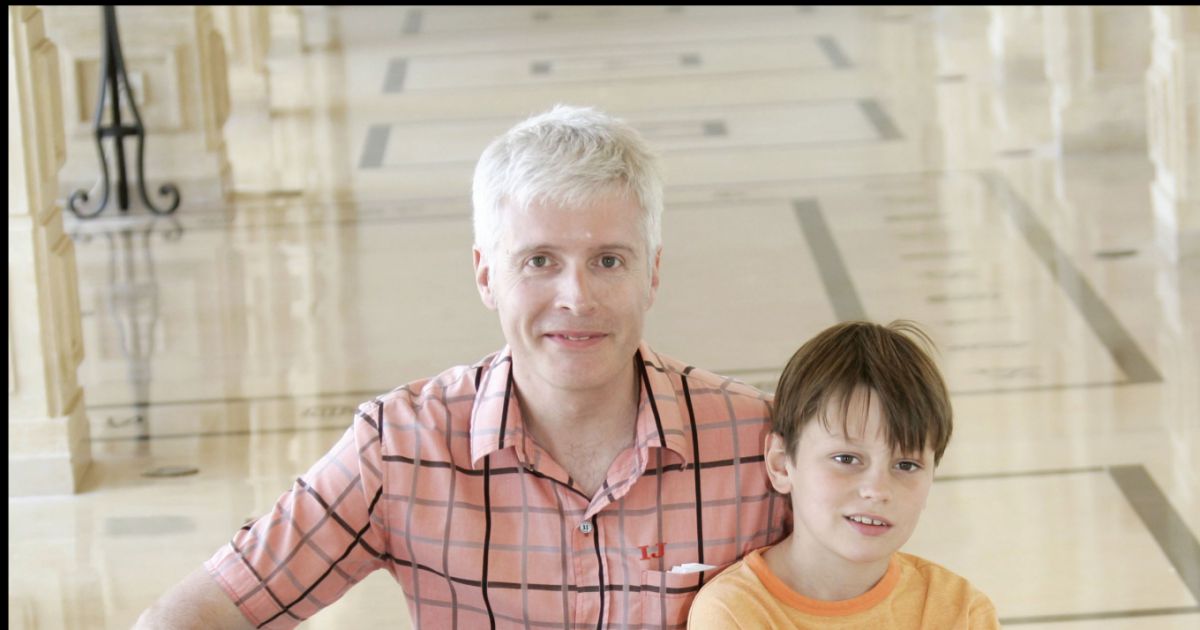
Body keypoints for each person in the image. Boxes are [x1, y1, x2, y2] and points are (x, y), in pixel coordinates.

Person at [135, 105, 789, 629]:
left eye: (608, 261)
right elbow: (194, 614)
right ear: (485, 275)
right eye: (539, 261)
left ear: (652, 272)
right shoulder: (399, 446)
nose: (576, 297)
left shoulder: (754, 441)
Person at [687, 321, 999, 629]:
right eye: (846, 458)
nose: (877, 490)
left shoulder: (959, 610)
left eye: (906, 465)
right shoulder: (735, 613)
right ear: (782, 464)